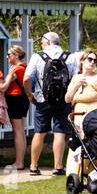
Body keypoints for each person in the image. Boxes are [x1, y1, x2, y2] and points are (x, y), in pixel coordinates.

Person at [24, 31, 73, 176]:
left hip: (42, 99)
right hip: (63, 100)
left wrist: (29, 95)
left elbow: (26, 78)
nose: (41, 43)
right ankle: (58, 167)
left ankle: (33, 166)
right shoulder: (69, 57)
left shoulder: (38, 56)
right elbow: (76, 77)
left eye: (42, 40)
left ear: (47, 41)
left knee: (39, 132)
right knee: (60, 132)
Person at [0, 45, 30, 170]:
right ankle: (21, 160)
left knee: (17, 131)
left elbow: (3, 87)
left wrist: (6, 75)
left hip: (15, 99)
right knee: (21, 130)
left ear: (16, 55)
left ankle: (19, 162)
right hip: (23, 99)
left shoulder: (16, 69)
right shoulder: (25, 67)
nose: (7, 57)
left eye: (9, 54)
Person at [66, 50, 97, 127]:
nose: (92, 62)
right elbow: (67, 99)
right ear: (82, 61)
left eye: (95, 60)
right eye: (90, 59)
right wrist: (76, 86)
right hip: (78, 116)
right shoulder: (76, 78)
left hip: (94, 118)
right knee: (80, 138)